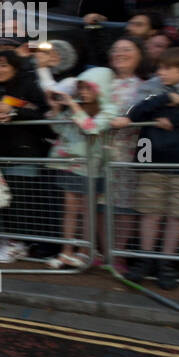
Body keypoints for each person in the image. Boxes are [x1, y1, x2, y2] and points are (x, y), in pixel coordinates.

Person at [124, 46, 179, 289]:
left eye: (167, 68)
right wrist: (164, 99)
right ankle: (146, 259)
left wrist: (174, 118)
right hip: (150, 156)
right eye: (160, 68)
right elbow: (133, 112)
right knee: (149, 211)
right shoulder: (152, 87)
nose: (161, 73)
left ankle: (167, 262)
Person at [0, 49, 50, 263]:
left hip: (25, 152)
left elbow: (44, 113)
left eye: (4, 65)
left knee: (21, 200)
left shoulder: (29, 86)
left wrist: (14, 111)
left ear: (14, 67)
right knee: (3, 201)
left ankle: (19, 243)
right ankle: (12, 242)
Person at [46, 68, 116, 269]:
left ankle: (85, 252)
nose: (83, 92)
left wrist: (74, 107)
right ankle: (66, 251)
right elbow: (59, 129)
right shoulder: (75, 107)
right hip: (70, 163)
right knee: (70, 209)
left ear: (100, 89)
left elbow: (91, 127)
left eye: (88, 88)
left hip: (93, 166)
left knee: (88, 211)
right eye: (81, 88)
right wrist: (57, 109)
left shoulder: (109, 109)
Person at [104, 37, 157, 270]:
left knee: (124, 206)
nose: (120, 53)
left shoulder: (146, 86)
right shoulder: (101, 81)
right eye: (115, 49)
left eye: (126, 49)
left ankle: (119, 254)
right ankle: (103, 252)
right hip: (97, 152)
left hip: (128, 153)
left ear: (139, 55)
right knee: (99, 204)